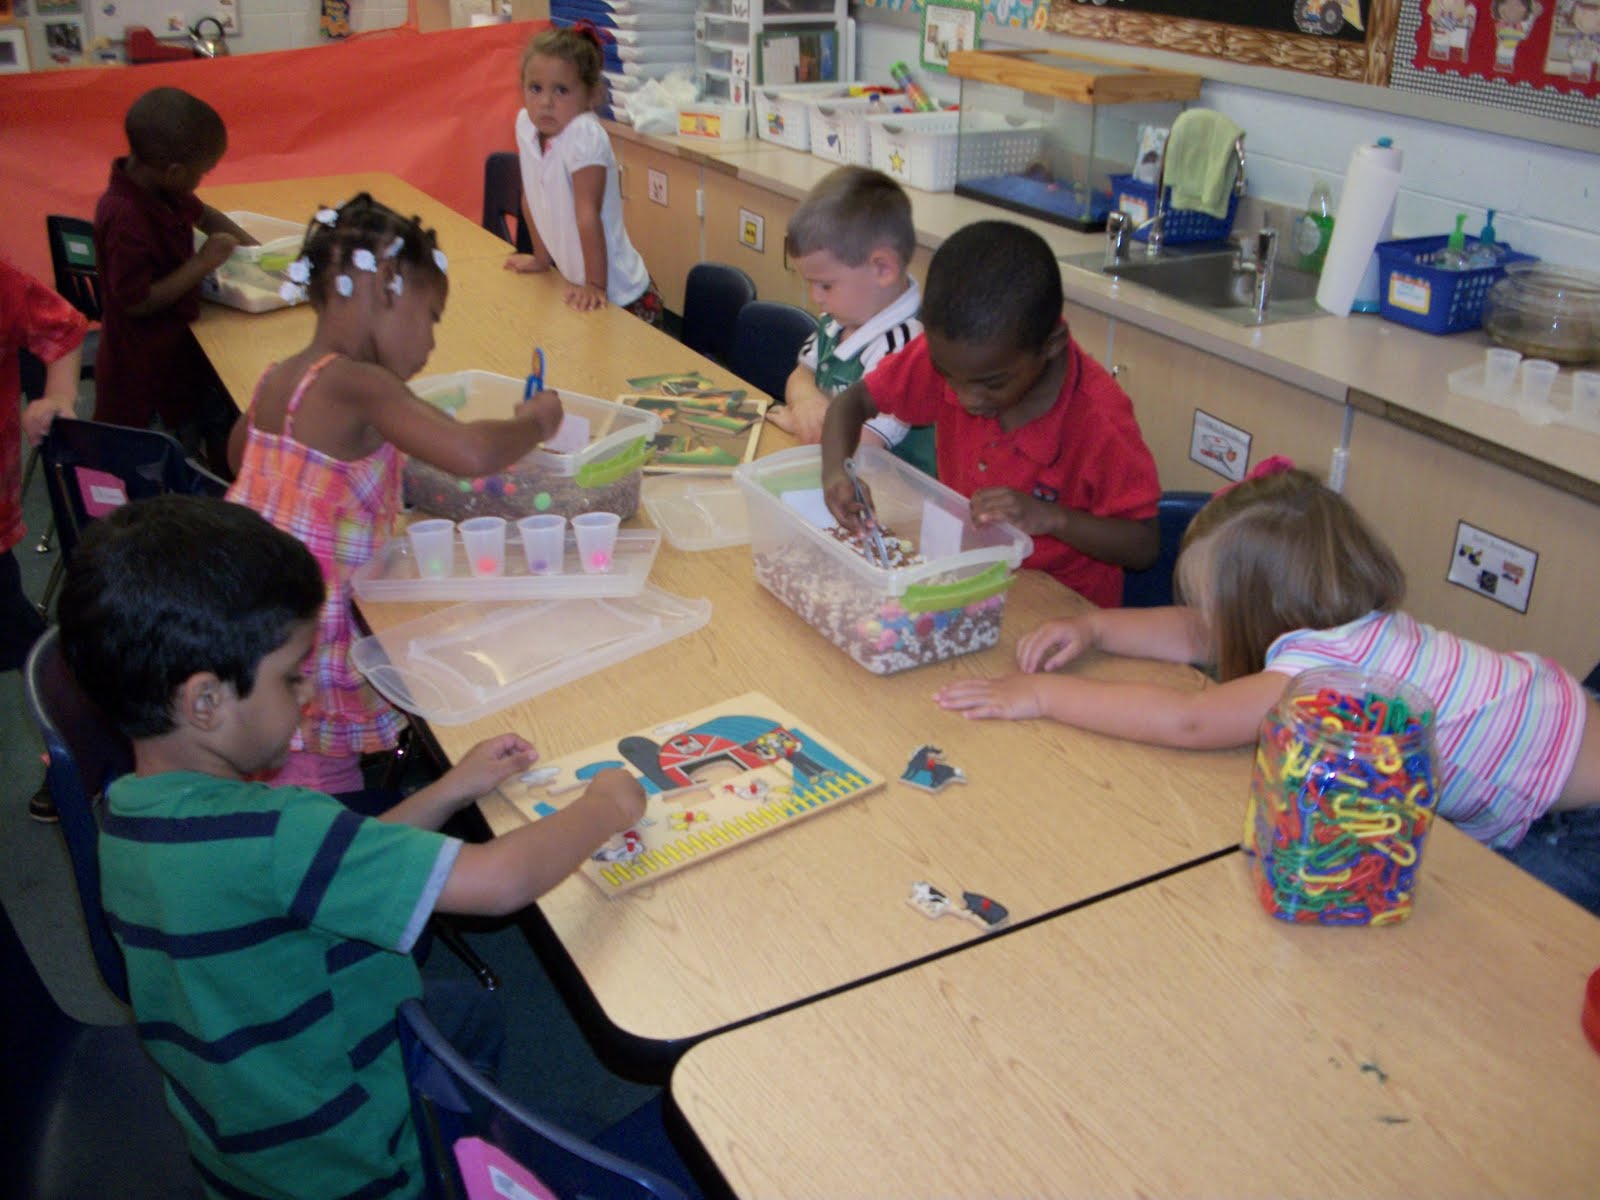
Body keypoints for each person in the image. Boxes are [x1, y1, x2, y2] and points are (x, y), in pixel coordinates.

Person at [55, 494, 647, 1199]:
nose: (308, 692)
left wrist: (451, 789)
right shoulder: (273, 832)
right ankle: (450, 1158)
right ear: (205, 701)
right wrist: (604, 806)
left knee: (464, 1011)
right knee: (571, 1132)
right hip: (355, 1166)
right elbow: (499, 884)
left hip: (242, 1142)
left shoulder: (132, 810)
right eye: (292, 673)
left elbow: (330, 867)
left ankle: (460, 1120)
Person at [933, 466, 1600, 913]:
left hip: (1575, 830)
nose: (1201, 618)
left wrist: (1044, 698)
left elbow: (1191, 721)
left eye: (1211, 601)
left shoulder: (1315, 676)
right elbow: (1200, 636)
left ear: (1261, 611)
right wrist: (1094, 626)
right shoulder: (1337, 621)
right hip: (1567, 746)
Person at [226, 192, 565, 801]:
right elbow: (468, 452)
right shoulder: (360, 383)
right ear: (385, 287)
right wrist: (536, 422)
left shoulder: (280, 376)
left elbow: (238, 457)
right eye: (430, 316)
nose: (431, 341)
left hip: (254, 628)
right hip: (308, 655)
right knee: (324, 795)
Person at [820, 219, 1160, 608]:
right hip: (966, 576)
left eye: (993, 384)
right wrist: (836, 474)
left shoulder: (1100, 420)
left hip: (1061, 610)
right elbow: (851, 405)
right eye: (949, 377)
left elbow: (1143, 545)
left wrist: (1054, 518)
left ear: (1051, 345)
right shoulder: (961, 358)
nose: (967, 399)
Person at [93, 87, 256, 470]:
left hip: (180, 352)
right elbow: (137, 302)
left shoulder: (163, 190)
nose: (203, 180)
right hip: (143, 372)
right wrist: (203, 262)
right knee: (160, 462)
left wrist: (258, 252)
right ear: (175, 171)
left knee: (205, 423)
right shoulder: (125, 217)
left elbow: (209, 216)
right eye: (204, 171)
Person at [766, 165, 933, 476]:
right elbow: (801, 373)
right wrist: (805, 403)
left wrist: (799, 423)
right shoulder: (840, 317)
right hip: (839, 471)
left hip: (896, 495)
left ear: (882, 269)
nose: (816, 297)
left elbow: (865, 443)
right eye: (810, 283)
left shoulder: (906, 345)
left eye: (825, 285)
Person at [503, 23, 664, 324]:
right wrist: (540, 258)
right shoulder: (526, 125)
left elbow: (587, 214)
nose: (545, 102)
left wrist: (595, 284)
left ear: (591, 96)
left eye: (561, 90)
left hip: (623, 296)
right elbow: (531, 198)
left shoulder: (584, 134)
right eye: (535, 88)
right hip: (579, 282)